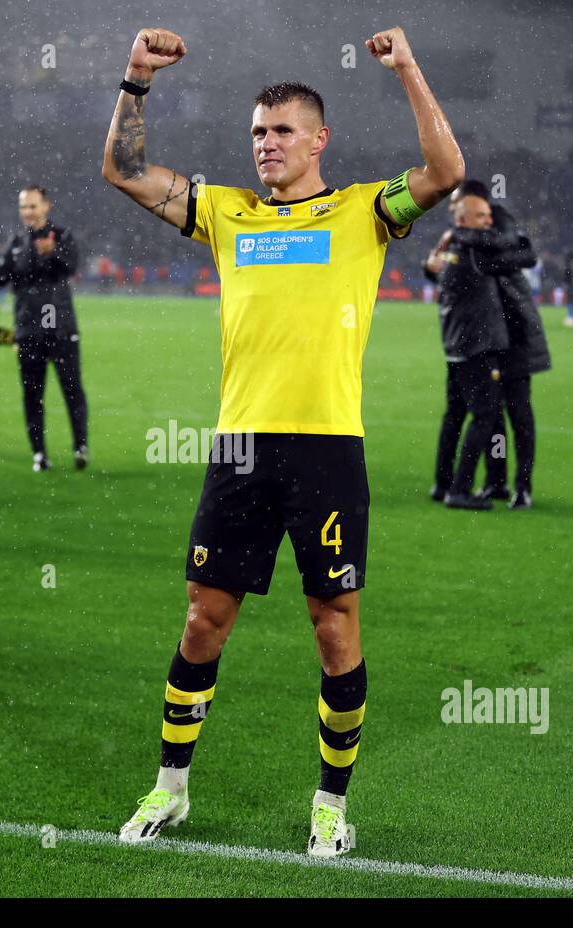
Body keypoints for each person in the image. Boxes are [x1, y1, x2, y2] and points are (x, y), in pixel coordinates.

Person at [102, 26, 463, 856]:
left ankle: (331, 803)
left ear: (318, 139)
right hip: (239, 446)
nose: (266, 145)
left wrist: (408, 67)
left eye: (282, 132)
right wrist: (136, 77)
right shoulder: (225, 212)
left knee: (335, 626)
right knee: (203, 620)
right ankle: (169, 788)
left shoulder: (367, 211)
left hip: (328, 446)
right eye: (258, 133)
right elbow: (122, 170)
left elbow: (446, 173)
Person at [426, 195, 534, 510]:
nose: (489, 221)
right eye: (482, 215)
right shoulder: (474, 253)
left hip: (457, 349)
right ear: (463, 221)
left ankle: (444, 484)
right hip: (477, 349)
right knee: (485, 416)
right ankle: (460, 490)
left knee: (455, 416)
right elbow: (523, 254)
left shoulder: (454, 254)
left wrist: (445, 243)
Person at [0, 185, 88, 471]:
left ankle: (80, 447)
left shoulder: (61, 236)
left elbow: (70, 267)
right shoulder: (15, 242)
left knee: (72, 389)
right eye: (24, 207)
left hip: (61, 328)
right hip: (28, 331)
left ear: (46, 206)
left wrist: (52, 254)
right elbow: (1, 280)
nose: (28, 212)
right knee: (32, 394)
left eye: (33, 206)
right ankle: (39, 453)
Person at [474, 202, 550, 509]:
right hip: (488, 342)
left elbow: (526, 253)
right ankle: (496, 482)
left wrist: (487, 259)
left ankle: (523, 485)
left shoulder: (497, 221)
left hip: (516, 342)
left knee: (519, 416)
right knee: (491, 418)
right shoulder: (469, 233)